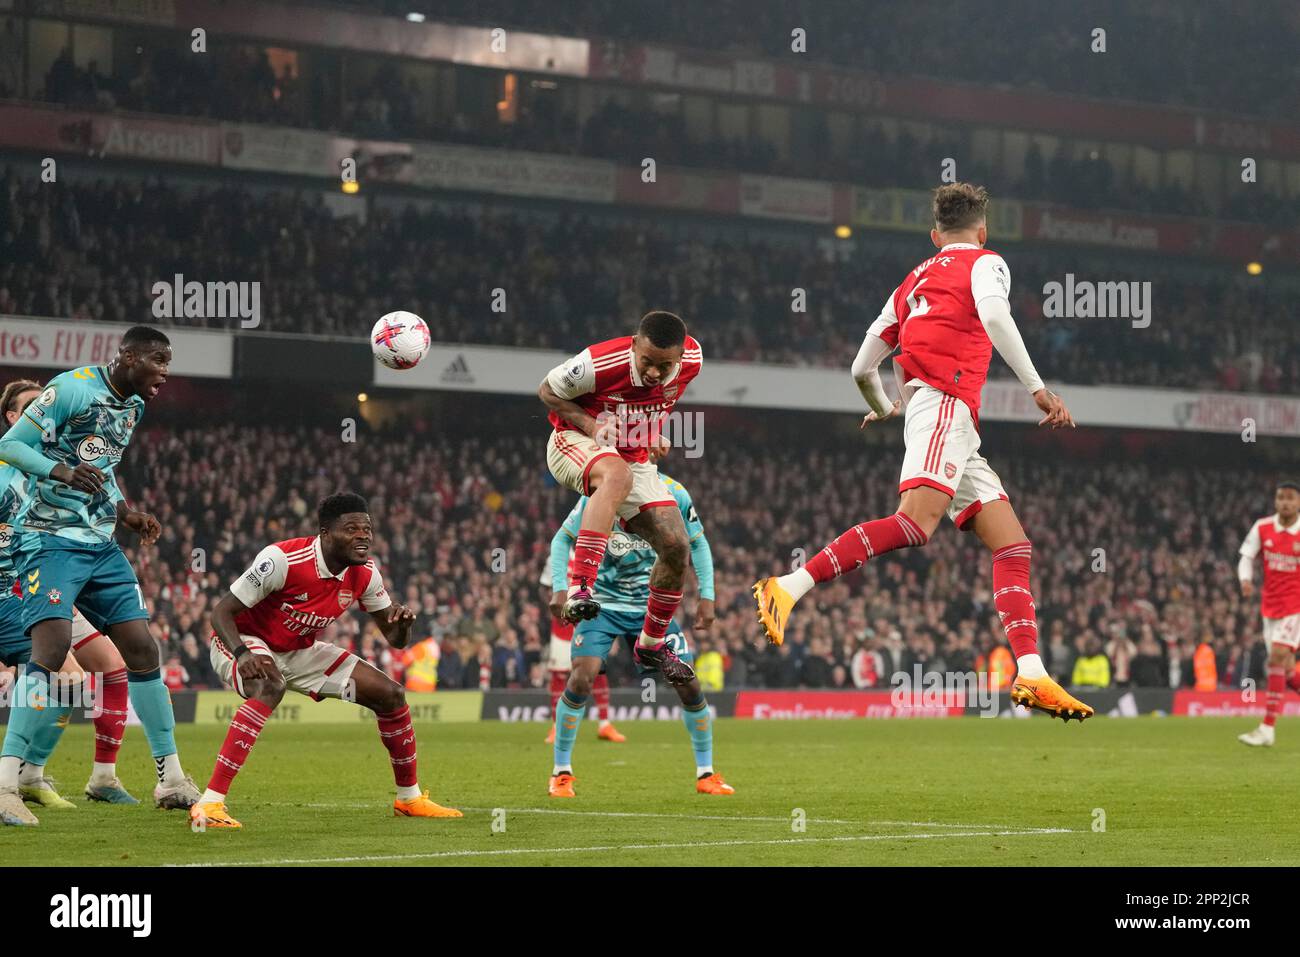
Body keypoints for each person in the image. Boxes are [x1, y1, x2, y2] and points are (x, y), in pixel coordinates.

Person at [753, 184, 1093, 722]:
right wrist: (1038, 389)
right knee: (914, 525)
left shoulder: (913, 280)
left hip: (940, 414)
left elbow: (861, 367)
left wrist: (888, 406)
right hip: (946, 404)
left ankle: (1031, 674)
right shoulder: (987, 262)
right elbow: (997, 318)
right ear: (983, 231)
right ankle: (788, 585)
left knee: (1012, 545)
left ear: (935, 236)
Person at [0, 332, 202, 826]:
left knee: (140, 649)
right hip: (47, 537)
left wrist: (125, 513)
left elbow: (104, 469)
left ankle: (171, 777)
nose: (164, 372)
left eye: (168, 363)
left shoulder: (132, 406)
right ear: (128, 357)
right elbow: (10, 446)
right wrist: (61, 472)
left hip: (99, 542)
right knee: (48, 651)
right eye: (157, 361)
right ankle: (6, 784)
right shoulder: (73, 388)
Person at [192, 492, 463, 829]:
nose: (363, 536)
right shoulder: (282, 560)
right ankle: (209, 804)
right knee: (269, 684)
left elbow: (395, 642)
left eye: (367, 529)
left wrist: (403, 628)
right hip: (242, 641)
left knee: (391, 695)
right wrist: (242, 653)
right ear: (325, 533)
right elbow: (221, 612)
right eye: (351, 529)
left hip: (299, 650)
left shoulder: (365, 574)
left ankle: (408, 798)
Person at [538, 310, 702, 683]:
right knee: (615, 474)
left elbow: (648, 405)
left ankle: (651, 643)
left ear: (680, 357)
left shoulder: (694, 360)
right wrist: (591, 424)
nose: (655, 373)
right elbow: (547, 391)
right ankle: (582, 588)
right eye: (647, 361)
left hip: (633, 458)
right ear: (634, 345)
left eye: (665, 365)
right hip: (572, 441)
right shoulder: (600, 362)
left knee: (677, 546)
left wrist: (648, 434)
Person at [545, 475, 728, 797]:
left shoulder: (674, 493)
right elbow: (562, 539)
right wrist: (561, 589)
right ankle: (561, 773)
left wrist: (708, 595)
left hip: (652, 607)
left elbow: (698, 542)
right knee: (582, 677)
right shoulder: (601, 493)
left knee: (688, 682)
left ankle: (706, 774)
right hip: (602, 606)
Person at [1237, 481, 1300, 746]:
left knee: (1275, 658)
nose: (1285, 502)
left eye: (1290, 498)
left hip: (1296, 607)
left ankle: (1267, 729)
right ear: (1275, 502)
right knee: (1284, 669)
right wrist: (1245, 579)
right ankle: (1267, 728)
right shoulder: (1262, 527)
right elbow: (1246, 556)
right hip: (1270, 607)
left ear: (1298, 503)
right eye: (1280, 498)